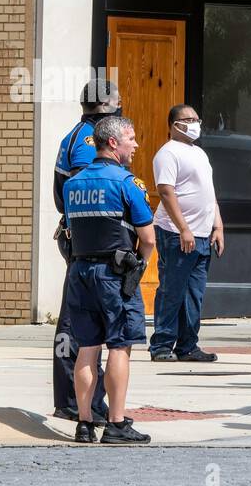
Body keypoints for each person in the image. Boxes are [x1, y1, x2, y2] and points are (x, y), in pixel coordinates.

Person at [63, 115, 157, 444]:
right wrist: (139, 269)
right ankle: (116, 423)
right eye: (131, 139)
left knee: (87, 348)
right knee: (119, 345)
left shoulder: (72, 184)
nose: (136, 144)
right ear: (114, 143)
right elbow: (148, 239)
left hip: (79, 273)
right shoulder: (127, 183)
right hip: (114, 277)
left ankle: (85, 423)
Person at [49, 78, 121, 423]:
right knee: (82, 321)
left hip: (78, 237)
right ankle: (79, 400)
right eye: (117, 99)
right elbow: (85, 190)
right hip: (87, 241)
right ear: (106, 105)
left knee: (82, 317)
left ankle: (82, 398)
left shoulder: (74, 134)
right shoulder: (88, 141)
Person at [150, 104, 224, 362]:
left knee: (194, 293)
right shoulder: (168, 153)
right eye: (187, 119)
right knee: (172, 290)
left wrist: (218, 226)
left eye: (196, 118)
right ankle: (161, 345)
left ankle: (188, 346)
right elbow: (166, 192)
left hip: (203, 234)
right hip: (175, 233)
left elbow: (209, 192)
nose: (194, 123)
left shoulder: (200, 153)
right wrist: (184, 229)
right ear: (173, 125)